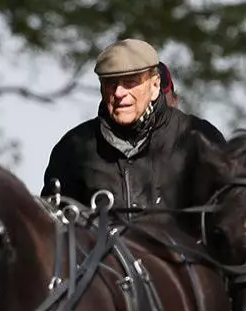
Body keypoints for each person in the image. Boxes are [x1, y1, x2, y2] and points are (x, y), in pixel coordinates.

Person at [39, 39, 225, 227]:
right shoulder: (73, 148)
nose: (119, 92)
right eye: (111, 83)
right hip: (100, 255)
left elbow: (229, 223)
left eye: (130, 82)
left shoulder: (199, 138)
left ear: (155, 86)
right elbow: (51, 235)